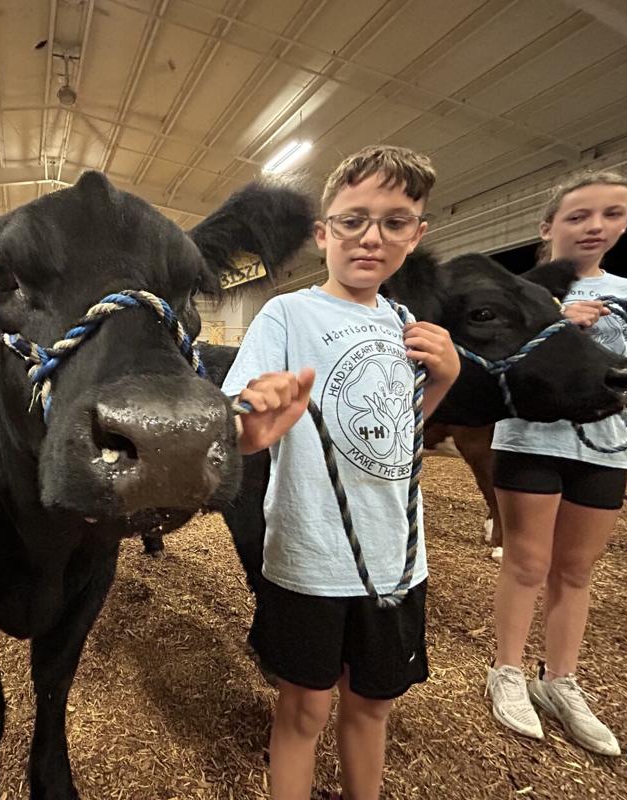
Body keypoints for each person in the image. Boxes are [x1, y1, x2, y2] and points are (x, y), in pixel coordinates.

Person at [221, 146, 460, 800]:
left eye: (394, 221)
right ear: (323, 234)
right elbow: (240, 424)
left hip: (397, 562)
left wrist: (445, 378)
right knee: (303, 712)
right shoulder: (289, 316)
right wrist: (254, 420)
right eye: (353, 220)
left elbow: (401, 436)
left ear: (416, 236)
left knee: (372, 707)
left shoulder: (409, 326)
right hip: (311, 560)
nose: (371, 237)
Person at [486, 171, 627, 756]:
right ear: (548, 226)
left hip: (604, 446)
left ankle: (560, 680)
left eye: (611, 214)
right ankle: (506, 670)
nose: (595, 227)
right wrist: (558, 322)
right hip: (531, 439)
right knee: (527, 562)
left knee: (577, 571)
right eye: (579, 216)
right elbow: (494, 362)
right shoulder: (517, 291)